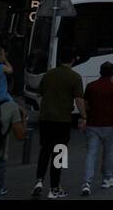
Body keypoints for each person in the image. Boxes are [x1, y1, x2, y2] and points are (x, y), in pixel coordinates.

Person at [33, 47, 85, 199]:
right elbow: (79, 99)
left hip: (45, 118)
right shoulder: (75, 77)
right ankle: (55, 187)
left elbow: (40, 93)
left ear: (60, 60)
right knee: (59, 152)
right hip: (62, 120)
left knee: (45, 150)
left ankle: (39, 181)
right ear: (73, 60)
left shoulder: (48, 74)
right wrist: (84, 116)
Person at [80, 61, 113, 196]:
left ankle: (87, 183)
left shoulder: (91, 86)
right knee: (108, 152)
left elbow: (85, 105)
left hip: (92, 124)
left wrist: (85, 118)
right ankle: (107, 178)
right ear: (112, 73)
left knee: (90, 154)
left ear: (100, 71)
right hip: (109, 125)